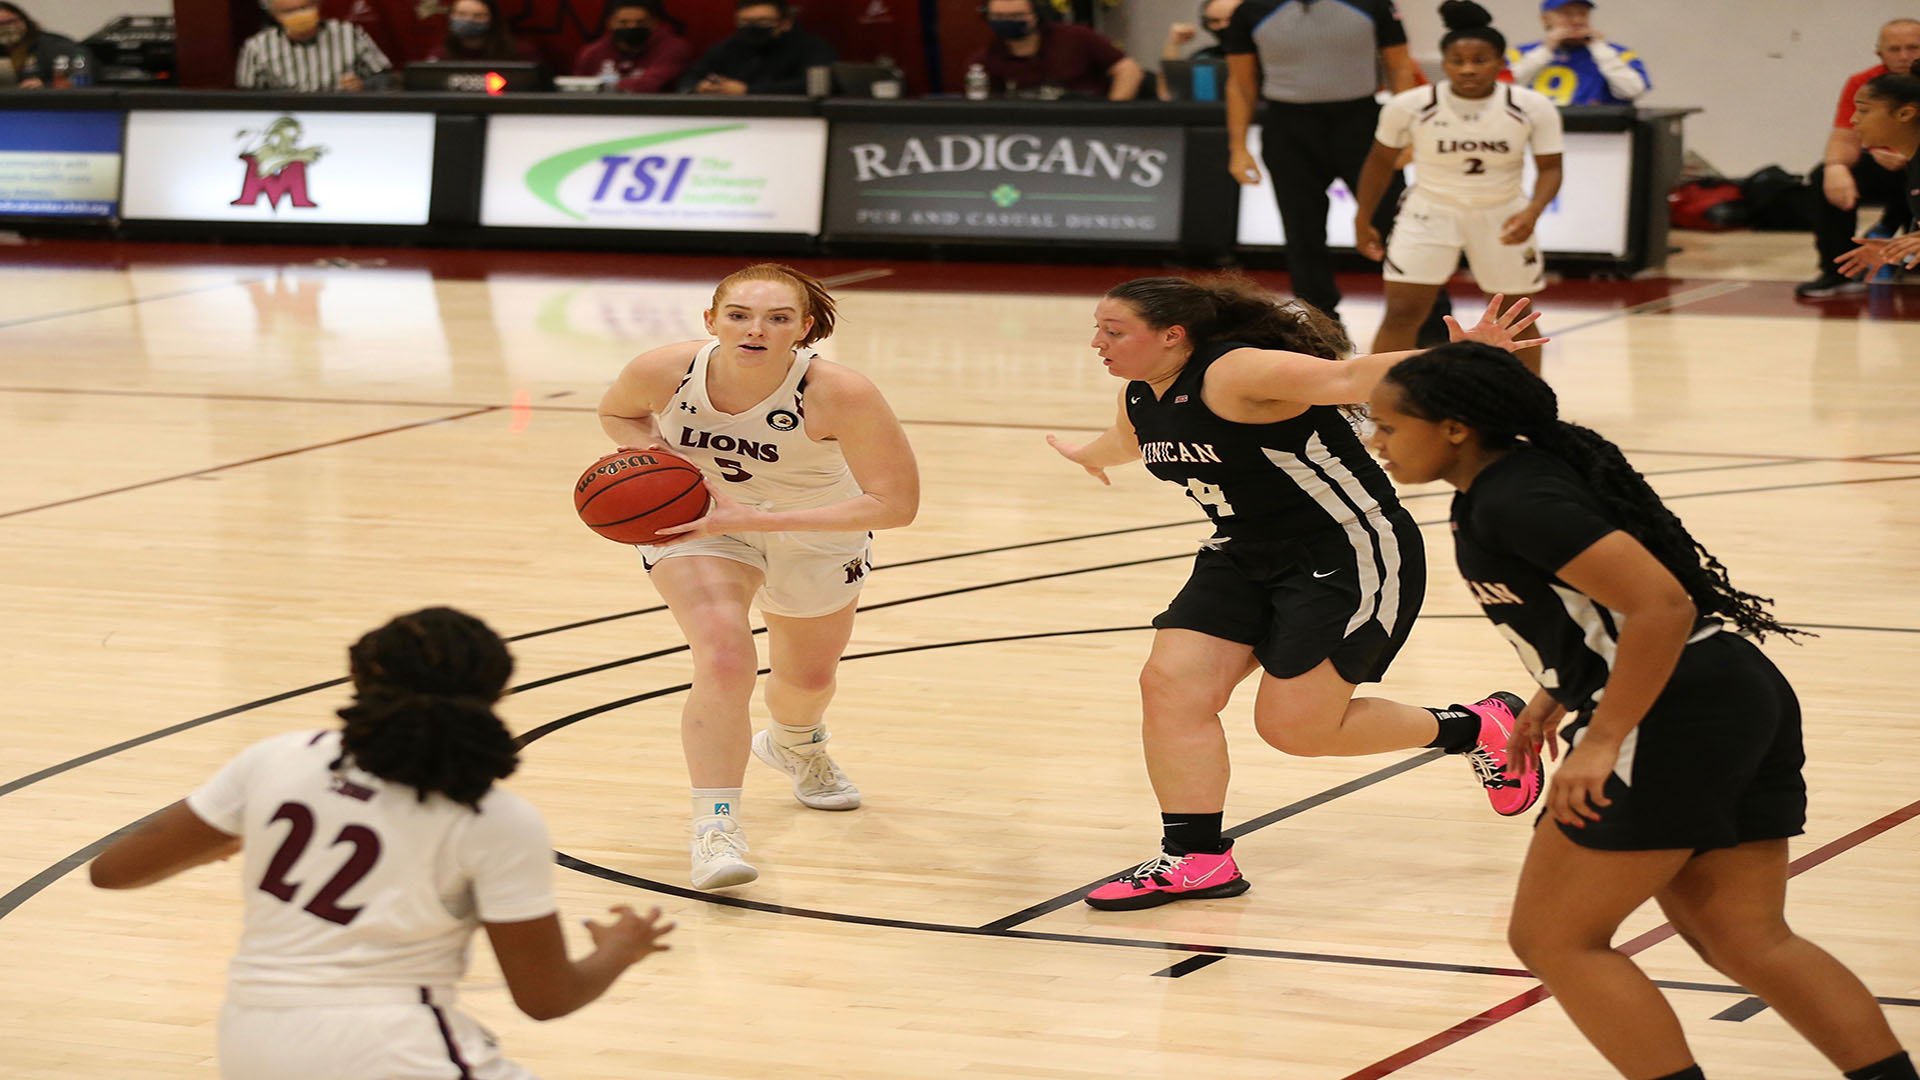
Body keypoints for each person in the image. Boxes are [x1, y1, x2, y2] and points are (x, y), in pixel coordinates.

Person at [1365, 336, 1920, 1080]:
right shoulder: (1514, 482)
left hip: (1672, 711)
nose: (1377, 443)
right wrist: (1557, 688)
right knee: (1745, 937)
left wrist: (1603, 739)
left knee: (1554, 939)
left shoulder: (1514, 499)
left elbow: (1661, 605)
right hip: (1727, 691)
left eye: (1389, 426)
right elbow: (1600, 607)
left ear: (1455, 427)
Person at [1044, 276, 1549, 911]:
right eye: (1098, 329)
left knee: (1295, 730)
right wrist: (1085, 454)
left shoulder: (1235, 372)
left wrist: (1464, 355)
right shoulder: (1141, 393)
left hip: (1345, 550)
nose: (1097, 342)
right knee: (1170, 687)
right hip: (1241, 553)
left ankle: (1476, 726)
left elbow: (1348, 378)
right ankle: (1196, 858)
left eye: (1113, 331)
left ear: (1173, 336)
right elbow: (1129, 442)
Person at [88, 607, 675, 1079]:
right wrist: (619, 950)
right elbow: (545, 998)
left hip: (252, 1036)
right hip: (393, 1044)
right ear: (495, 695)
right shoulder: (492, 817)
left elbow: (112, 871)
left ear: (361, 679)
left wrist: (223, 837)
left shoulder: (276, 760)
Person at [596, 264, 918, 890]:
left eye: (777, 318)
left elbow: (895, 504)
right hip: (703, 526)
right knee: (723, 657)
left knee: (807, 681)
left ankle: (796, 742)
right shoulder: (664, 370)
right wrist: (661, 463)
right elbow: (618, 414)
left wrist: (762, 519)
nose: (755, 330)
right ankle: (715, 829)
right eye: (739, 315)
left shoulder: (840, 392)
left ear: (804, 328)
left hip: (816, 529)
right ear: (711, 320)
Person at [1222, 0, 1451, 341]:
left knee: (1398, 223)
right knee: (1302, 232)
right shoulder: (1251, 10)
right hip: (1287, 127)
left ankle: (1431, 322)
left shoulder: (1372, 4)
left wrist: (1409, 134)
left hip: (1360, 122)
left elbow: (1400, 67)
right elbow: (1240, 84)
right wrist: (1238, 148)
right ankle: (1319, 324)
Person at [1354, 2, 1563, 376]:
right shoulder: (1410, 105)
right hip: (1430, 212)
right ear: (1445, 63)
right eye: (1457, 60)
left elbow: (1551, 168)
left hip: (1503, 213)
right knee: (1402, 312)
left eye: (1480, 60)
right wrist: (1362, 217)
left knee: (1515, 319)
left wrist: (1532, 212)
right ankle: (1378, 399)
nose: (1468, 68)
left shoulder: (1532, 106)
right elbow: (1379, 163)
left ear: (1500, 62)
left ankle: (1530, 402)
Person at [1798, 19, 1920, 299]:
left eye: (1913, 48)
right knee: (1825, 175)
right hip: (1895, 169)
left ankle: (1892, 231)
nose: (1904, 56)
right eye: (1895, 49)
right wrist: (1835, 167)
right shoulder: (1865, 83)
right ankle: (1839, 271)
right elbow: (1844, 136)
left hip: (1911, 166)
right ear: (1880, 53)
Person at [1836, 71, 1920, 281]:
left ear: (1905, 114)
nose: (1854, 119)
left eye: (1864, 110)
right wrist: (1899, 247)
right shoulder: (1914, 164)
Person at [970, 0, 1144, 101]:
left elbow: (1128, 70)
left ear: (1036, 15)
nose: (1008, 21)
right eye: (998, 17)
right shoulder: (983, 61)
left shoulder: (1077, 37)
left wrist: (1112, 114)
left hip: (1087, 125)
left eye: (1017, 16)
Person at [1504, 0, 1649, 107]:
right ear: (1545, 19)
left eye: (1583, 14)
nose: (1577, 21)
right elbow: (1499, 88)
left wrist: (1600, 50)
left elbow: (1634, 91)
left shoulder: (1617, 54)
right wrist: (1545, 51)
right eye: (1567, 15)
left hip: (1596, 133)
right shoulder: (1517, 54)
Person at [681, 0, 835, 97]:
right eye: (745, 22)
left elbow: (819, 84)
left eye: (763, 21)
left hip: (792, 120)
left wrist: (748, 90)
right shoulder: (727, 47)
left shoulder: (811, 47)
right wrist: (700, 87)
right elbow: (690, 78)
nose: (753, 27)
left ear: (785, 23)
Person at [236, 0, 393, 92]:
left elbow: (384, 77)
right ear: (275, 16)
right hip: (287, 117)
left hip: (341, 115)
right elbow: (246, 94)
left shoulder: (349, 33)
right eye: (289, 11)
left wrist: (363, 85)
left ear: (317, 5)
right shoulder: (257, 47)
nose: (299, 15)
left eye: (305, 7)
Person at [571, 0, 693, 95]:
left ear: (654, 23)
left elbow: (648, 86)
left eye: (640, 22)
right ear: (610, 23)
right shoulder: (592, 52)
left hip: (655, 113)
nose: (632, 27)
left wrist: (603, 87)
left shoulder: (672, 49)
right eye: (623, 22)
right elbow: (575, 89)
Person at [1157, 0, 1239, 102]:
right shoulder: (1205, 58)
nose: (1223, 25)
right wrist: (1173, 44)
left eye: (1231, 19)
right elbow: (1167, 95)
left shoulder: (1258, 54)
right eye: (1215, 21)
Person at [0, 2, 94, 89]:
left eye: (10, 22)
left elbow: (81, 76)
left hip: (48, 98)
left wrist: (45, 85)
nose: (5, 28)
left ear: (24, 21)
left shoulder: (54, 45)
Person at [424, 0, 539, 64]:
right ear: (450, 17)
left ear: (493, 20)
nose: (468, 20)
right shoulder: (439, 56)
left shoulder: (521, 53)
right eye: (461, 14)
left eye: (478, 16)